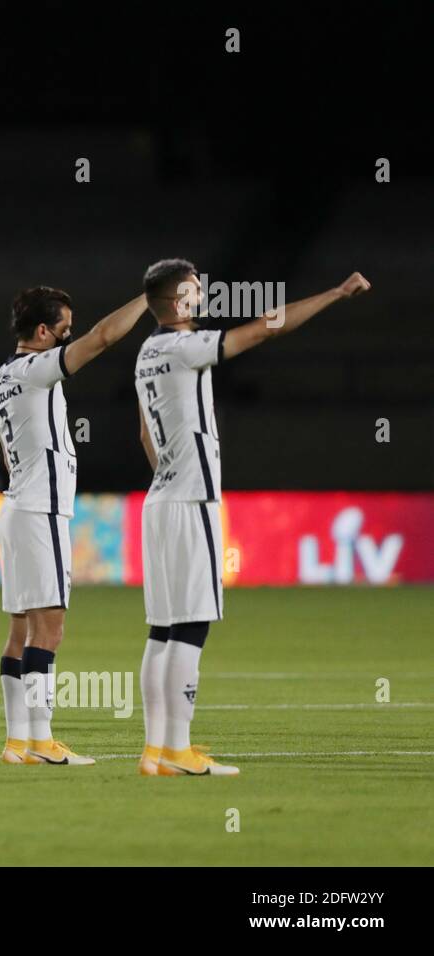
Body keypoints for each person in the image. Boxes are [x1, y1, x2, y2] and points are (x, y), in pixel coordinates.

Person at [134, 260, 370, 776]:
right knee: (192, 624)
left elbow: (146, 437)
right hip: (191, 500)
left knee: (162, 629)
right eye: (197, 290)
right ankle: (177, 750)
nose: (204, 296)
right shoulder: (182, 346)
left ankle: (156, 750)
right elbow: (263, 328)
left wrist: (171, 476)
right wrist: (333, 292)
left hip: (159, 501)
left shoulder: (147, 353)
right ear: (178, 303)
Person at [0, 286, 148, 764]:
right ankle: (41, 741)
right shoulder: (38, 371)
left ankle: (19, 741)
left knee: (20, 632)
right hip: (41, 511)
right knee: (50, 632)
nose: (69, 339)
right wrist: (146, 298)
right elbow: (101, 338)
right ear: (43, 332)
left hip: (17, 508)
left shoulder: (1, 378)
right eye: (63, 331)